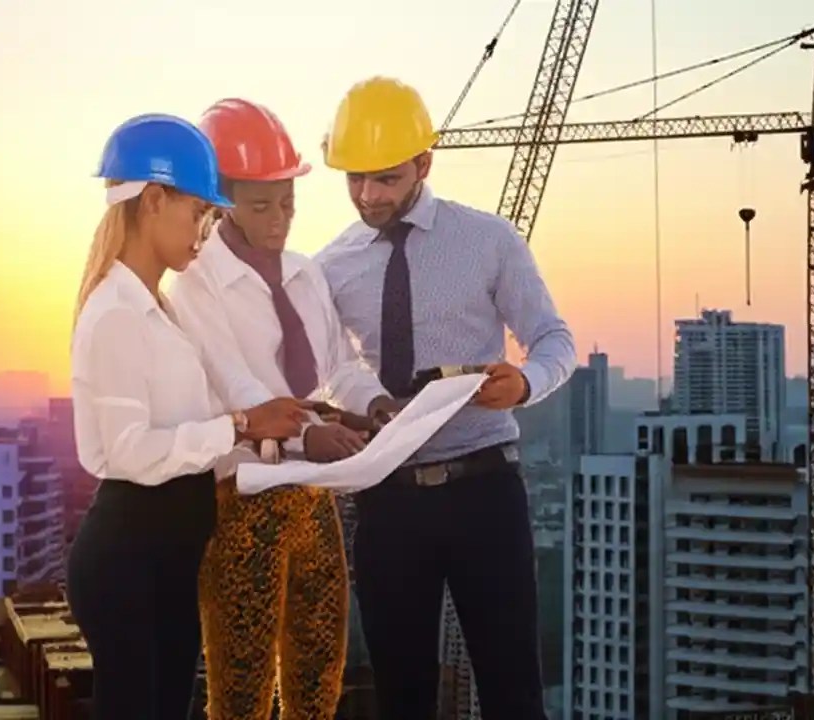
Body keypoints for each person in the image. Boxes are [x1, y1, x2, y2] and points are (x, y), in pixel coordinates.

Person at [315, 77, 577, 720]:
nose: (368, 195)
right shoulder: (330, 266)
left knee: (513, 691)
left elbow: (554, 339)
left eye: (385, 178)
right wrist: (373, 404)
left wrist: (525, 382)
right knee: (401, 696)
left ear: (424, 165)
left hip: (484, 493)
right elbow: (332, 366)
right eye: (355, 179)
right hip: (388, 501)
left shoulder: (488, 240)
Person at [66, 113, 308, 719]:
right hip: (129, 560)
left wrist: (274, 423)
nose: (207, 230)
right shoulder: (117, 313)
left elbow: (187, 429)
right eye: (200, 211)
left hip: (166, 559)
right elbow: (131, 452)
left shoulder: (158, 307)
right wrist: (242, 426)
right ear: (153, 199)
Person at [168, 98, 401, 720]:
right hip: (241, 502)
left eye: (288, 203)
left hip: (314, 498)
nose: (279, 221)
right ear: (221, 201)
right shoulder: (195, 284)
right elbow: (235, 384)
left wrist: (375, 405)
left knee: (318, 677)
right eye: (261, 206)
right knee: (241, 688)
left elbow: (339, 366)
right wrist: (307, 434)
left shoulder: (305, 275)